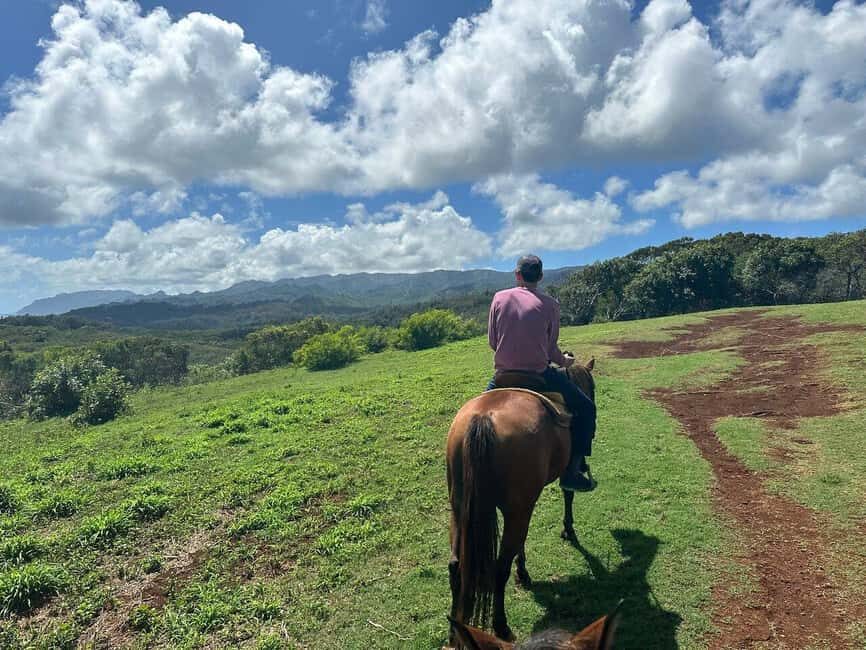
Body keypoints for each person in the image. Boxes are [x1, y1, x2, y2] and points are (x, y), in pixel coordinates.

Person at [486, 254, 596, 492]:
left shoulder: (498, 298)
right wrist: (564, 361)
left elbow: (493, 342)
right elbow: (550, 349)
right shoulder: (550, 305)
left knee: (478, 410)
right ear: (541, 277)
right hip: (538, 375)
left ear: (517, 275)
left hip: (503, 376)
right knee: (586, 408)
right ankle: (572, 471)